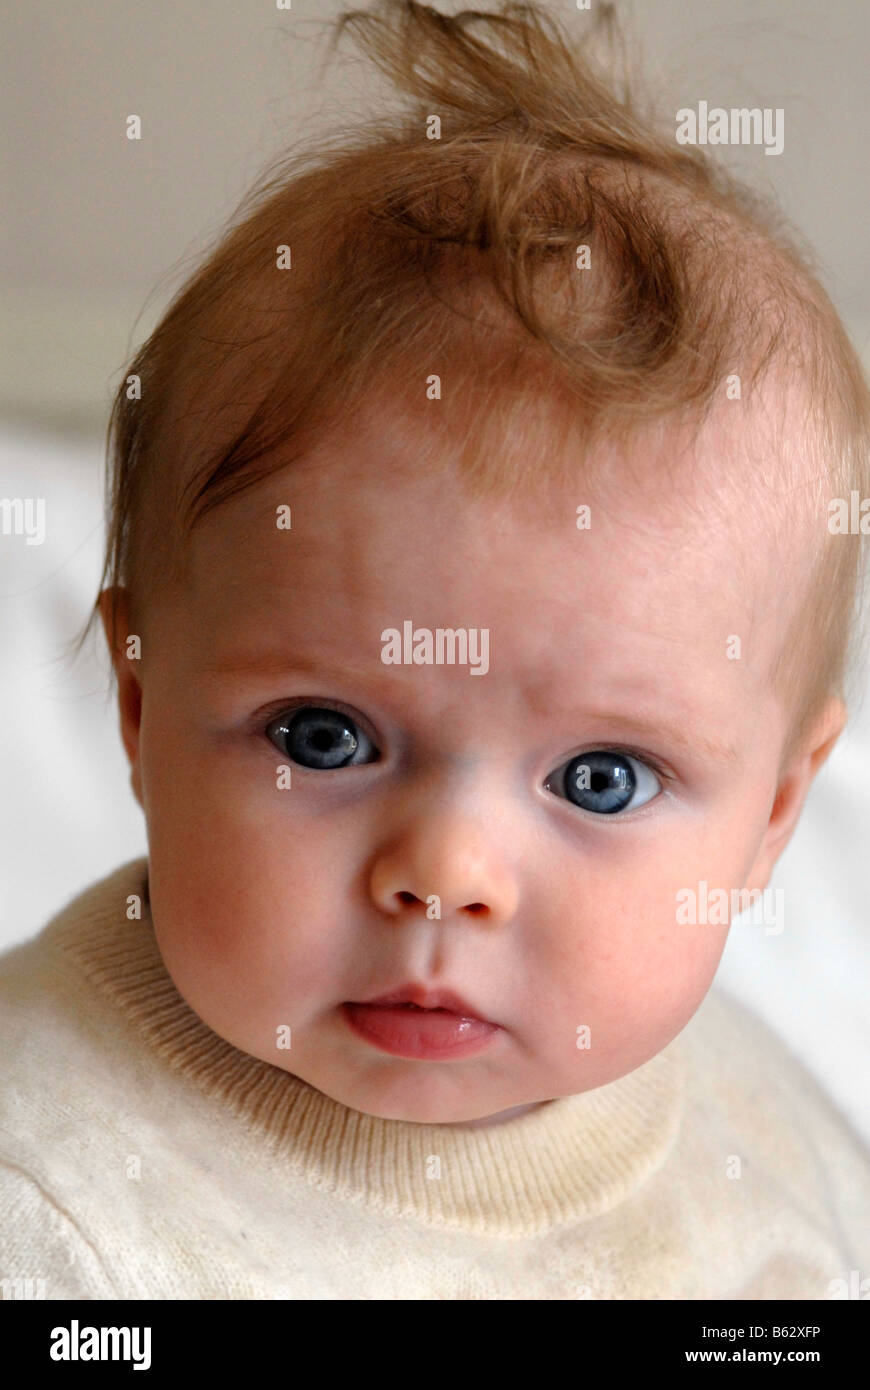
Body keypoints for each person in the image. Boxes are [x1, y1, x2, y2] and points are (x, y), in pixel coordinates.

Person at [2, 0, 869, 1299]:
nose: (447, 877)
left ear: (772, 814)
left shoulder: (773, 1152)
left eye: (600, 779)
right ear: (138, 701)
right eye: (324, 737)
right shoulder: (52, 1187)